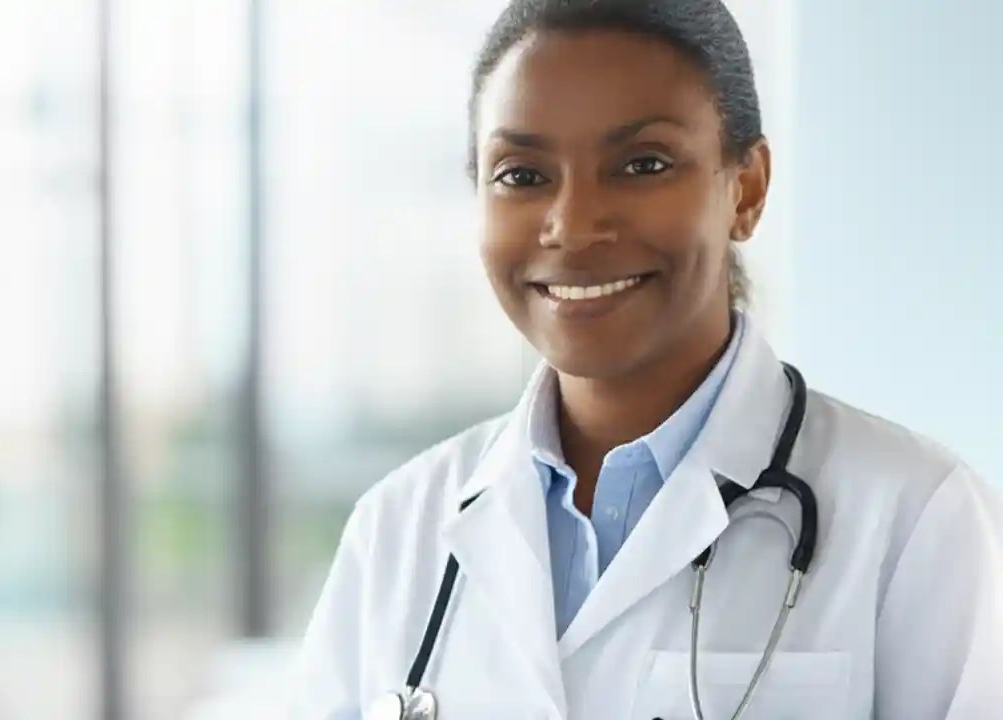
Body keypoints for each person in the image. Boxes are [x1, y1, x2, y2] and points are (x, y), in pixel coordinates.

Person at [290, 0, 1003, 718]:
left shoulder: (917, 518)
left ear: (747, 188)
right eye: (522, 175)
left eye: (642, 164)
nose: (574, 227)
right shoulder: (396, 531)